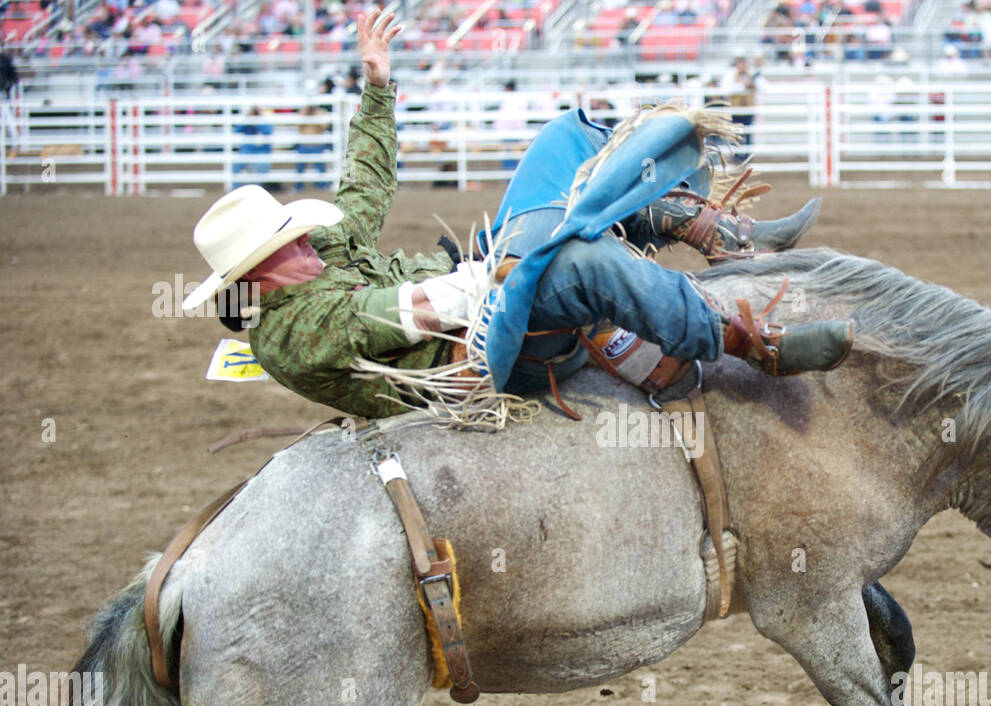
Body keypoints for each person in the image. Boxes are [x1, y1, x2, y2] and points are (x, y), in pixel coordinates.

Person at [181, 9, 848, 425]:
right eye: (288, 244)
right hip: (469, 358)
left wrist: (378, 90)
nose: (307, 242)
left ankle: (717, 233)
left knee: (565, 139)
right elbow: (405, 313)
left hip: (484, 279)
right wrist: (512, 264)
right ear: (260, 279)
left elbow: (365, 183)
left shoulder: (319, 255)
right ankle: (743, 343)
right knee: (576, 256)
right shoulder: (291, 333)